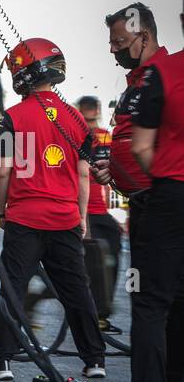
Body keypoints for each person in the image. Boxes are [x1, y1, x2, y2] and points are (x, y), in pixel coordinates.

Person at [0, 39, 105, 382]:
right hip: (66, 218)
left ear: (23, 72)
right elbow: (83, 174)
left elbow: (2, 169)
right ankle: (94, 359)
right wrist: (81, 217)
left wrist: (1, 208)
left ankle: (1, 361)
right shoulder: (75, 119)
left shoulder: (13, 118)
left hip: (25, 218)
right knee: (76, 289)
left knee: (14, 288)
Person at [108, 25, 184, 382]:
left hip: (163, 203)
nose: (115, 50)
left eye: (120, 42)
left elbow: (140, 147)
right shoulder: (143, 78)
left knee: (148, 303)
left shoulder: (163, 74)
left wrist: (161, 185)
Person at [75, 95, 121, 330]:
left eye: (94, 109)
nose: (92, 112)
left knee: (109, 258)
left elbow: (116, 166)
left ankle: (102, 311)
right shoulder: (74, 133)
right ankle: (95, 313)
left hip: (99, 210)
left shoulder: (104, 136)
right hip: (80, 209)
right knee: (85, 264)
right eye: (87, 109)